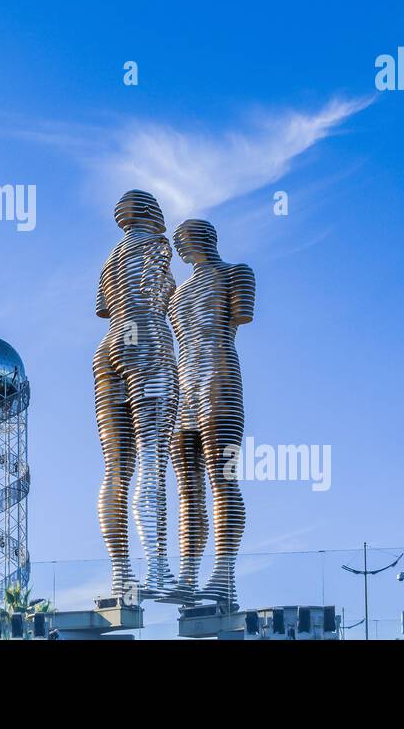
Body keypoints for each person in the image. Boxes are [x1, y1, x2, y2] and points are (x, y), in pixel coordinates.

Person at [93, 190, 178, 598]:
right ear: (151, 213)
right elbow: (162, 296)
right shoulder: (155, 245)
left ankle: (121, 575)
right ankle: (159, 571)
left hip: (108, 345)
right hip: (147, 337)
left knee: (115, 469)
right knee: (153, 457)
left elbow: (104, 308)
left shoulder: (110, 259)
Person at [169, 219, 254, 608]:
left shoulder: (236, 273)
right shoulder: (175, 294)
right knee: (188, 487)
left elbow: (239, 317)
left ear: (204, 238)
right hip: (182, 389)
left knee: (223, 479)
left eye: (184, 240)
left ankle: (223, 575)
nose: (180, 248)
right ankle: (188, 575)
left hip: (220, 380)